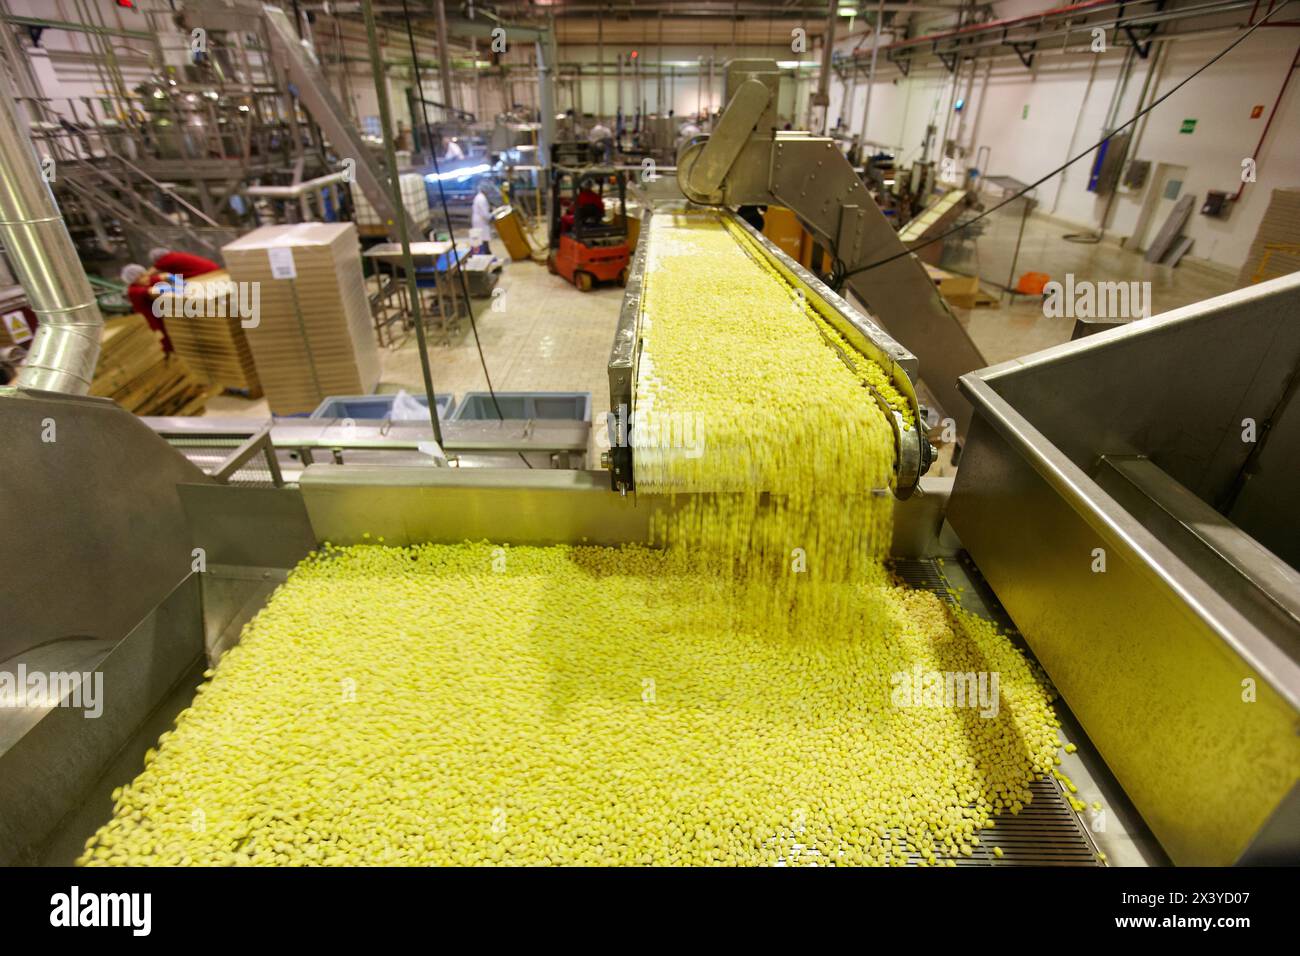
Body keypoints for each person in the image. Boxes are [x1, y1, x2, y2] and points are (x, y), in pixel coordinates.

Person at [470, 180, 494, 255]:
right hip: (481, 222)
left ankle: (486, 252)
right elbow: (485, 213)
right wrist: (492, 216)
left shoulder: (480, 197)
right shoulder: (481, 199)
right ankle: (486, 253)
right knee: (483, 239)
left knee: (482, 239)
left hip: (479, 221)